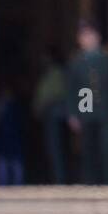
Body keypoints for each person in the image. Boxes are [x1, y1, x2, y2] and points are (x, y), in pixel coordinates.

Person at [68, 20, 108, 184]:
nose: (87, 39)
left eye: (90, 35)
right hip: (85, 109)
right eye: (83, 36)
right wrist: (72, 113)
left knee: (107, 148)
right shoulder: (76, 62)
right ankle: (90, 183)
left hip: (105, 110)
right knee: (88, 149)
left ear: (97, 37)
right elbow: (72, 89)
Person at [32, 53, 69, 184]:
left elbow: (47, 95)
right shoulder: (54, 74)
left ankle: (60, 179)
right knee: (57, 147)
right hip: (56, 115)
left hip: (54, 115)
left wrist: (39, 108)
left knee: (55, 148)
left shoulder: (55, 74)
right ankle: (59, 178)